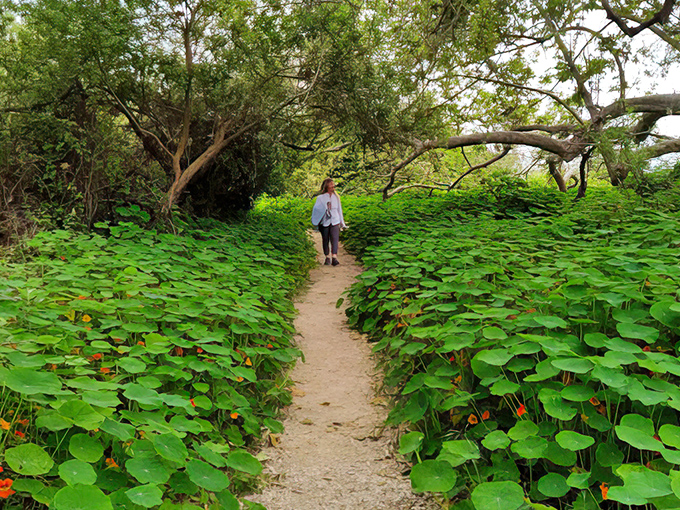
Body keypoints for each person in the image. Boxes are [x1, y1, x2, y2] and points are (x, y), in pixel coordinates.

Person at [311, 178, 347, 266]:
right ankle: (327, 257)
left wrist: (342, 223)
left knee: (335, 239)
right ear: (326, 186)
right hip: (325, 221)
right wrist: (325, 207)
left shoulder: (336, 197)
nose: (333, 186)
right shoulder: (320, 198)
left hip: (335, 220)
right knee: (325, 239)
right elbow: (316, 209)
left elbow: (339, 210)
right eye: (331, 184)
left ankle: (334, 257)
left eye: (333, 184)